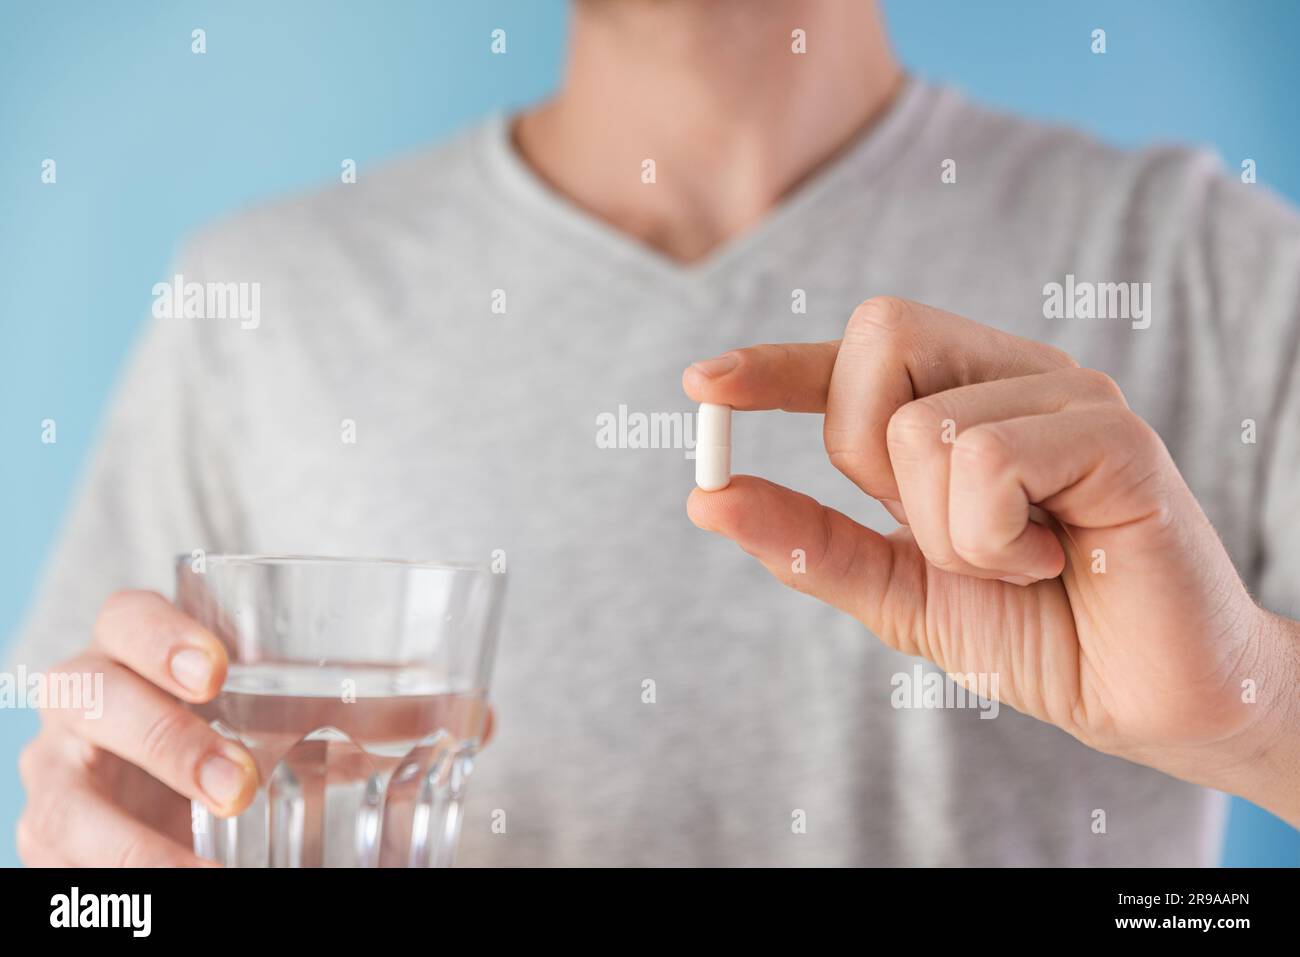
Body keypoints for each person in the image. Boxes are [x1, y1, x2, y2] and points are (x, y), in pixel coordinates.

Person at [12, 0, 1300, 867]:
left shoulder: (1212, 263)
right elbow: (72, 798)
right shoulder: (255, 296)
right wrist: (98, 882)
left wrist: (1248, 710)